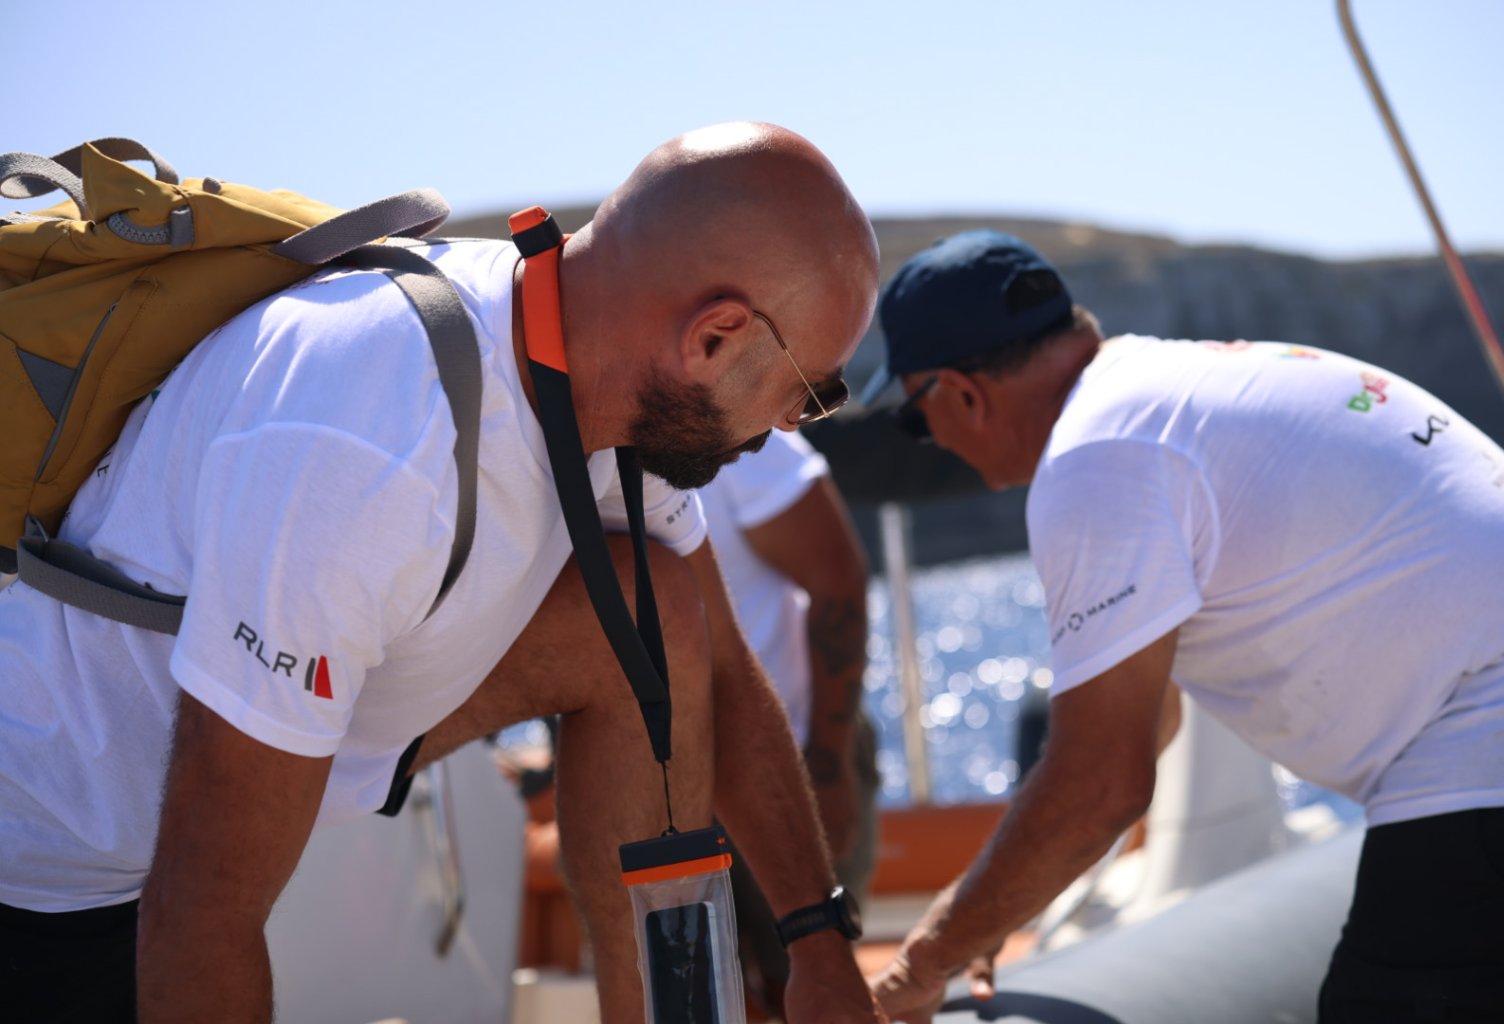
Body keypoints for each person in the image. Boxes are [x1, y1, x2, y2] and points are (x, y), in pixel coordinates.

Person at [0, 122, 889, 1024]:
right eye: (809, 391)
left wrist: (816, 940)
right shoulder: (376, 447)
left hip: (244, 770)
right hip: (50, 883)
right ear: (714, 338)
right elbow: (202, 907)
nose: (792, 425)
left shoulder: (602, 376)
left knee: (647, 605)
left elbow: (725, 680)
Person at [860, 229, 1504, 1023]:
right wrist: (985, 911)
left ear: (958, 393)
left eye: (916, 416)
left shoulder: (1092, 460)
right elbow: (1149, 724)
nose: (932, 439)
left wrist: (924, 959)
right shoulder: (1166, 388)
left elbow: (1102, 784)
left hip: (1497, 726)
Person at [698, 427, 880, 1018]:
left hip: (792, 758)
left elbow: (839, 580)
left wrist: (827, 768)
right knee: (698, 995)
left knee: (811, 984)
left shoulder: (731, 431)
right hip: (662, 782)